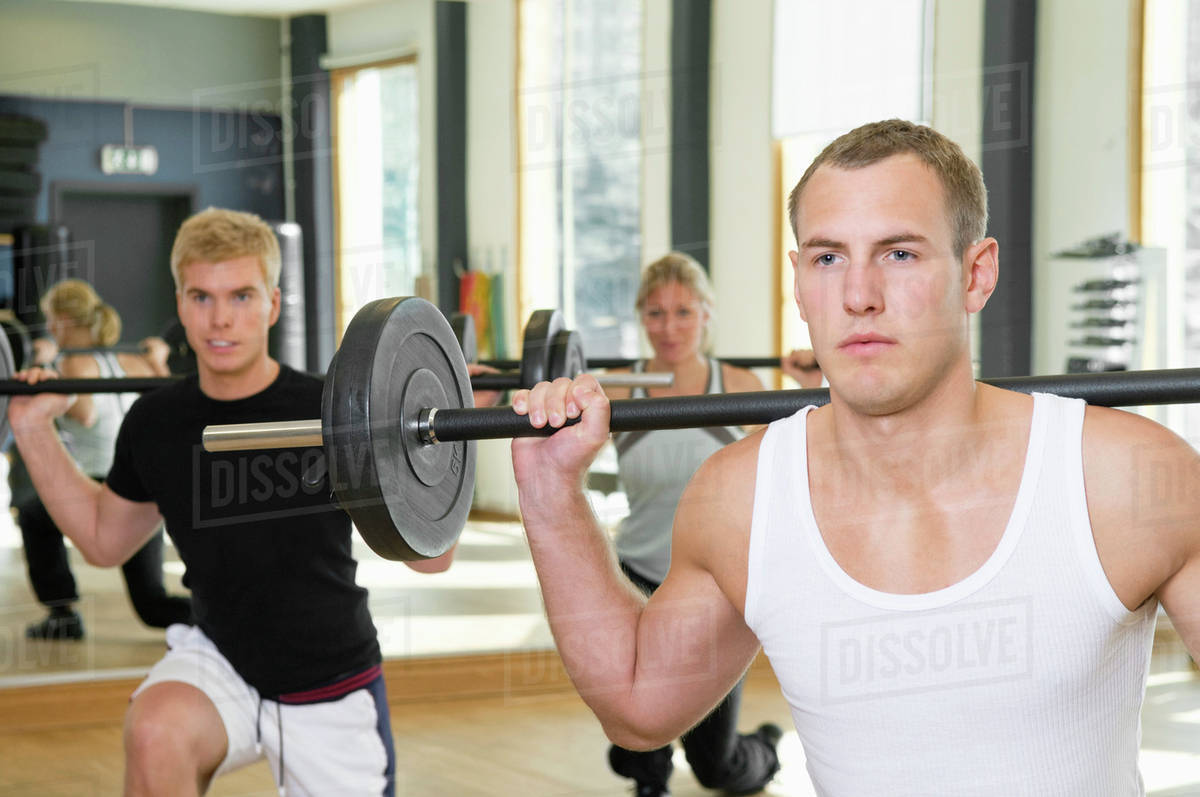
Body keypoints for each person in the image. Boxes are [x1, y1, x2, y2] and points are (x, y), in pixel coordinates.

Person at [509, 119, 1200, 794]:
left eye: (899, 254)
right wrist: (549, 493)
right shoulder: (742, 499)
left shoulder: (1122, 480)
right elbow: (637, 706)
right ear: (798, 282)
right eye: (828, 258)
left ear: (976, 273)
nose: (859, 296)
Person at [7, 207, 500, 795]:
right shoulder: (156, 422)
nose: (220, 319)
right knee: (156, 731)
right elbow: (102, 540)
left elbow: (431, 559)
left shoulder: (337, 408)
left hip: (329, 674)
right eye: (202, 297)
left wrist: (451, 431)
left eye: (241, 296)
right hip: (221, 659)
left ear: (272, 303)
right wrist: (31, 428)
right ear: (180, 303)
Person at [601, 252, 781, 797]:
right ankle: (645, 772)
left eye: (683, 311)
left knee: (715, 768)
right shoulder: (615, 388)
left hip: (715, 587)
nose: (669, 326)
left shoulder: (739, 384)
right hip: (637, 577)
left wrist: (815, 379)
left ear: (706, 314)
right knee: (637, 729)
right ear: (641, 317)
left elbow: (805, 454)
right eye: (655, 313)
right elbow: (538, 426)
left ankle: (765, 749)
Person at [13, 279, 192, 641]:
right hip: (139, 487)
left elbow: (85, 415)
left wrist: (45, 364)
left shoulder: (73, 362)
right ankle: (227, 616)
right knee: (152, 606)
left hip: (99, 483)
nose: (49, 327)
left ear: (65, 319)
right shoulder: (132, 360)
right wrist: (157, 362)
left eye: (51, 319)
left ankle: (62, 614)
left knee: (32, 515)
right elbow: (172, 399)